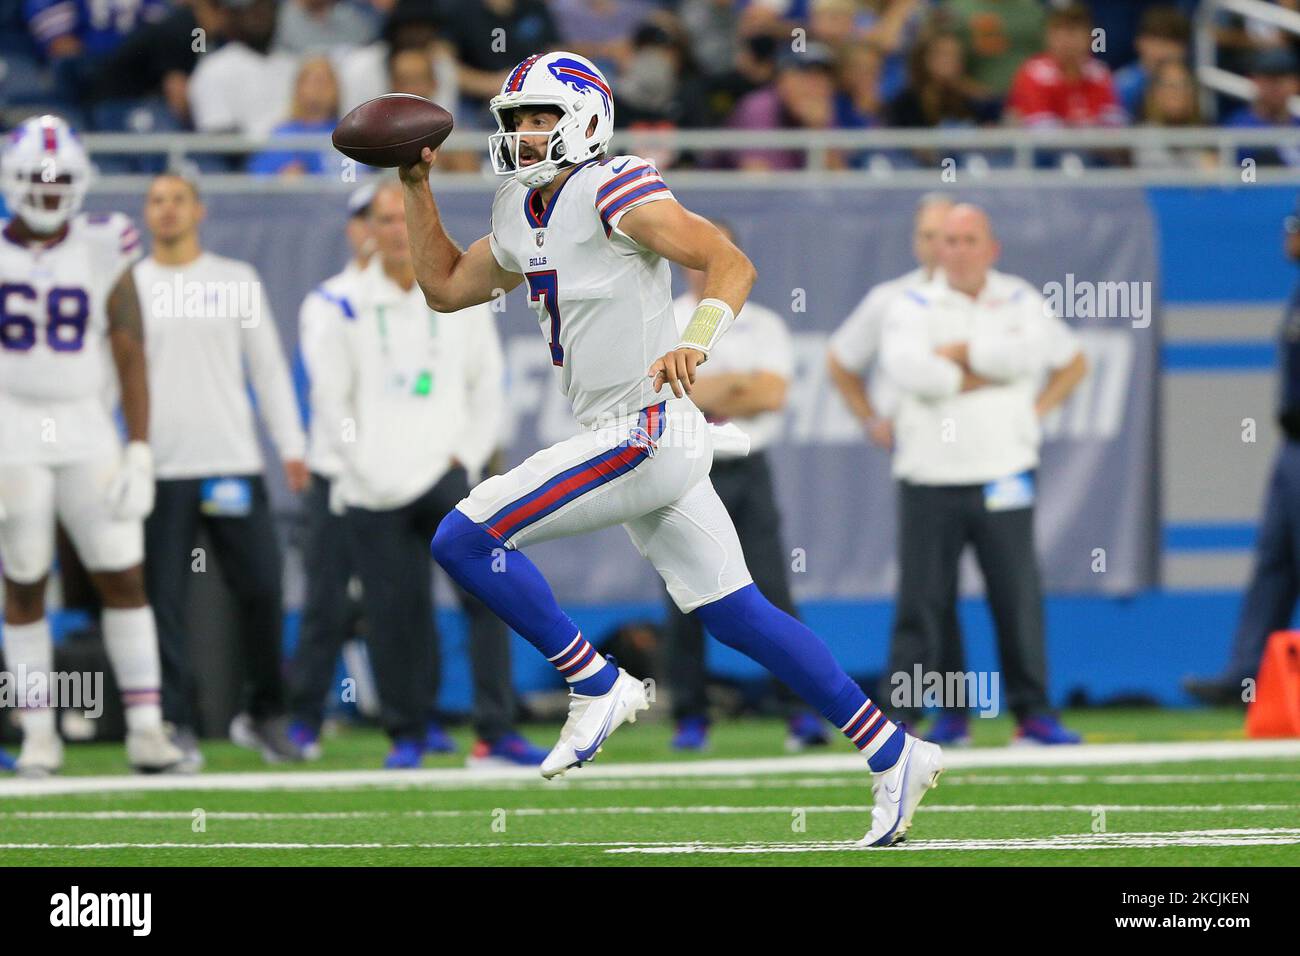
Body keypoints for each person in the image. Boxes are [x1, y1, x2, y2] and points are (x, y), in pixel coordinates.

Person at [398, 50, 943, 847]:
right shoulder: (520, 206)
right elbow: (446, 286)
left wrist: (697, 338)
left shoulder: (616, 184)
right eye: (514, 120)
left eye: (541, 116)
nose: (524, 134)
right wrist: (414, 186)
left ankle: (595, 681)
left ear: (586, 117)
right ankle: (894, 750)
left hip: (643, 429)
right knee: (739, 613)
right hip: (630, 435)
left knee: (465, 537)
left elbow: (729, 261)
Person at [310, 181, 546, 769]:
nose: (395, 229)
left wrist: (463, 456)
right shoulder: (339, 303)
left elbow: (488, 382)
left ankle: (495, 729)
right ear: (367, 229)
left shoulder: (456, 287)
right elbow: (331, 402)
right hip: (375, 479)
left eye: (402, 218)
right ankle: (408, 732)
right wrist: (356, 466)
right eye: (383, 220)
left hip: (448, 471)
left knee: (489, 597)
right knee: (394, 611)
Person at [0, 115, 182, 776]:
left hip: (84, 422)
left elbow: (129, 347)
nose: (49, 192)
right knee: (23, 576)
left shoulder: (105, 241)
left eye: (59, 180)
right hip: (10, 424)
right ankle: (39, 734)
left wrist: (138, 446)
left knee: (122, 570)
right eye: (37, 179)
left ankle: (144, 728)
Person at [878, 203, 1089, 746]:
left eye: (969, 240)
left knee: (1015, 596)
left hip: (1004, 470)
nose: (957, 250)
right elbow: (909, 370)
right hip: (928, 474)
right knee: (924, 600)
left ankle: (1033, 714)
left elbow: (1048, 358)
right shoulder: (910, 302)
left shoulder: (1020, 298)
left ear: (990, 247)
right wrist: (984, 376)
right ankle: (913, 715)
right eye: (948, 241)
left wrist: (968, 354)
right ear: (935, 249)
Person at [133, 173, 308, 767]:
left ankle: (263, 713)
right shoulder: (130, 286)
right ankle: (174, 721)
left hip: (232, 462)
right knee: (164, 599)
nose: (167, 210)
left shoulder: (235, 281)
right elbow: (111, 379)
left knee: (262, 587)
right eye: (156, 201)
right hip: (159, 467)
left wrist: (292, 445)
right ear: (145, 214)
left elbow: (268, 370)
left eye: (177, 199)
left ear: (199, 211)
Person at [662, 221, 826, 753]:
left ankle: (801, 711)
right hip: (687, 467)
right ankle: (691, 715)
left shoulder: (764, 324)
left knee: (773, 591)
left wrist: (707, 386)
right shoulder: (664, 319)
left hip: (747, 467)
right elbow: (667, 395)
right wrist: (735, 383)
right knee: (685, 596)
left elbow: (772, 395)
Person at [1185, 200, 1300, 706]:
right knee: (1274, 561)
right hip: (1291, 444)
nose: (1288, 238)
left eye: (1295, 230)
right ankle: (1245, 676)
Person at [286, 183, 375, 758]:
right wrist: (350, 461)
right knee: (325, 602)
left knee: (402, 600)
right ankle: (303, 718)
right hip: (339, 474)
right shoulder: (329, 301)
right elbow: (327, 391)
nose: (378, 230)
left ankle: (411, 717)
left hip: (405, 473)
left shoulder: (422, 298)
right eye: (367, 220)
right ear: (353, 228)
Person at [828, 193, 954, 455]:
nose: (937, 246)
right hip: (916, 448)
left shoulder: (1000, 295)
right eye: (928, 236)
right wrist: (871, 420)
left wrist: (1033, 412)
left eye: (947, 235)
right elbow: (839, 360)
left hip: (988, 443)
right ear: (915, 242)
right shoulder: (888, 299)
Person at [1005, 3, 1127, 129]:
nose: (1066, 41)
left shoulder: (1100, 73)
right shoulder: (1033, 73)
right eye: (1058, 32)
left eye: (1073, 32)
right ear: (1047, 37)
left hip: (1093, 148)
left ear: (1090, 37)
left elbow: (1115, 130)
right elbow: (1042, 133)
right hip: (1047, 148)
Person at [247, 56, 342, 177]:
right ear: (299, 87)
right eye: (313, 81)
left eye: (325, 81)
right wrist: (280, 178)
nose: (319, 88)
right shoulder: (281, 135)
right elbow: (256, 179)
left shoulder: (348, 136)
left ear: (337, 88)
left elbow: (357, 179)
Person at [1224, 48, 1300, 169]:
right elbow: (1242, 180)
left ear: (1296, 83)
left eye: (1282, 80)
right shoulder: (1238, 126)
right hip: (1252, 187)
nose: (1276, 87)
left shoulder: (1297, 124)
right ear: (1255, 81)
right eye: (1268, 80)